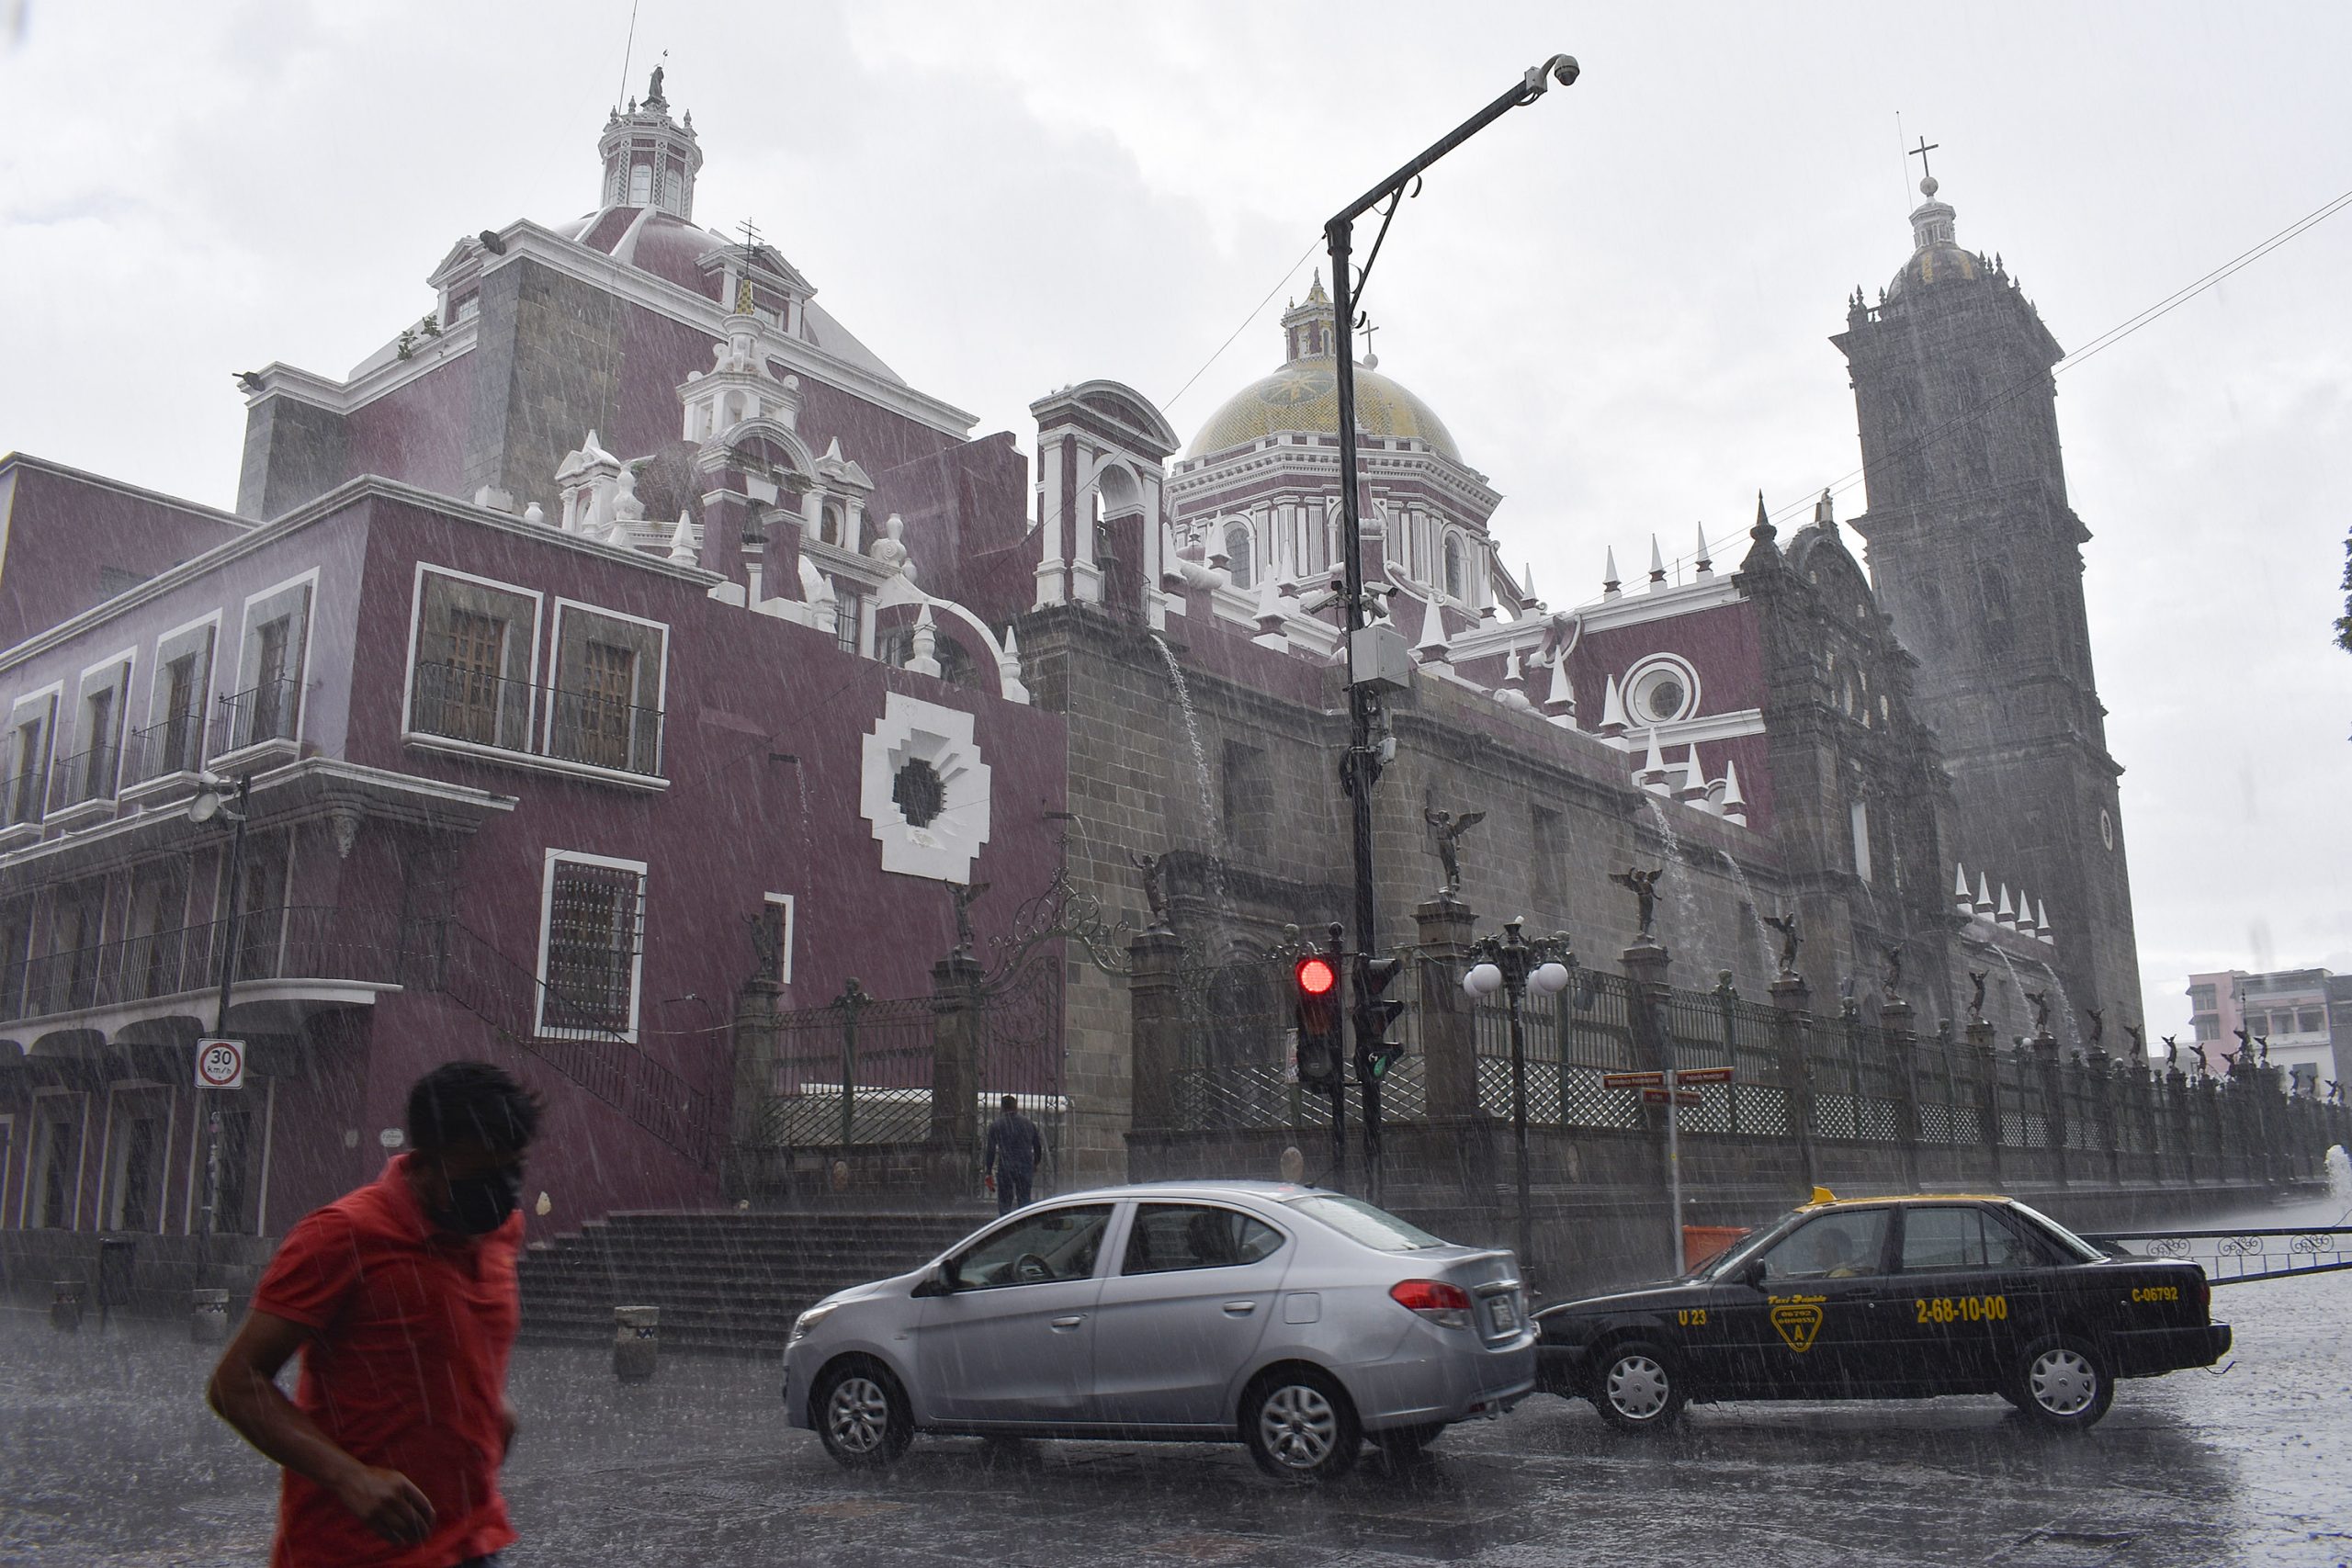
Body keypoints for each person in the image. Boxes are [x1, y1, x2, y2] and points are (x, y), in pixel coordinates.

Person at [208, 1062, 542, 1568]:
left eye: (512, 1169)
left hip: (473, 1542)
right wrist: (351, 1477)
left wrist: (485, 1403)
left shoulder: (504, 1230)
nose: (502, 1191)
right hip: (353, 1553)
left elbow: (443, 1344)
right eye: (481, 1176)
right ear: (428, 1161)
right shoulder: (342, 1235)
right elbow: (236, 1383)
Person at [982, 1093, 1046, 1214]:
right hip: (1025, 1165)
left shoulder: (997, 1125)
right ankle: (1024, 1225)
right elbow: (1037, 1146)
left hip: (1006, 1166)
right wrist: (1036, 1162)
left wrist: (988, 1171)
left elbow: (990, 1150)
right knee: (1024, 1199)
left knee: (1005, 1200)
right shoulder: (1028, 1124)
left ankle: (1005, 1225)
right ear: (1016, 1107)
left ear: (1002, 1108)